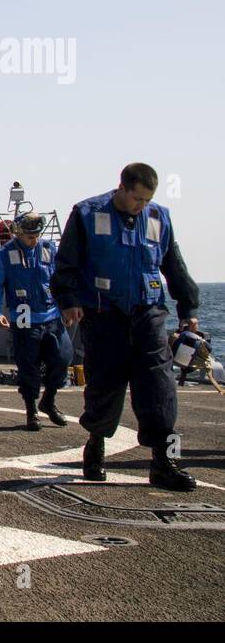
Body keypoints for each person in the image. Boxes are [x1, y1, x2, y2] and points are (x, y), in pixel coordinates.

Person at [51, 163, 199, 490]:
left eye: (146, 200)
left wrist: (188, 306)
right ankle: (96, 445)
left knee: (160, 387)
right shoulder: (87, 214)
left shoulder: (159, 218)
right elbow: (67, 263)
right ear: (122, 188)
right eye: (136, 199)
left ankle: (164, 461)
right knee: (105, 384)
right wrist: (69, 299)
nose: (140, 206)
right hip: (104, 315)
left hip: (148, 314)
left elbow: (173, 264)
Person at [0, 212, 71, 430]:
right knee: (28, 364)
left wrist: (67, 306)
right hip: (23, 313)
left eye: (35, 235)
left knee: (62, 358)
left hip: (51, 313)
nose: (33, 240)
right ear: (18, 233)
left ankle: (49, 400)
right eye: (28, 236)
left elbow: (61, 279)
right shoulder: (6, 254)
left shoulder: (49, 249)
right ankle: (31, 410)